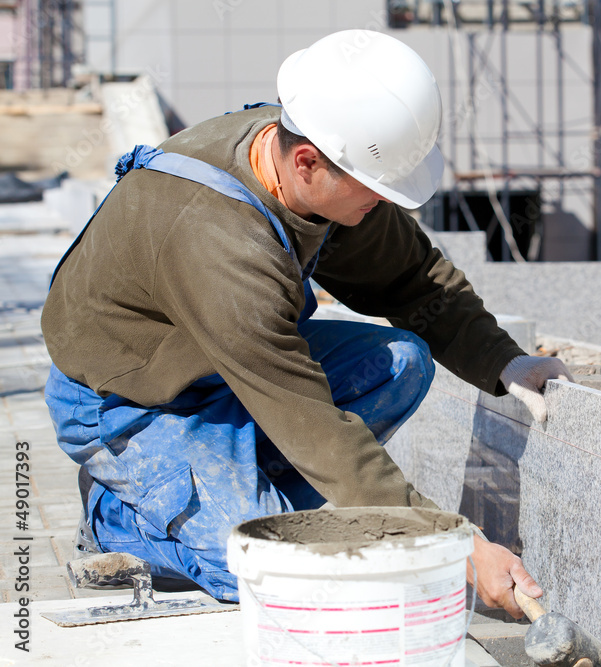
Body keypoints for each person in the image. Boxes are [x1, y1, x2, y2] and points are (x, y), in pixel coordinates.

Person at [40, 30, 572, 617]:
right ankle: (119, 515)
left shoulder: (320, 154)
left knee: (400, 363)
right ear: (306, 163)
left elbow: (412, 278)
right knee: (270, 569)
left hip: (225, 364)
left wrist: (503, 362)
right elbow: (308, 419)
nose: (382, 205)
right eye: (375, 192)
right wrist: (450, 542)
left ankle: (227, 489)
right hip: (129, 398)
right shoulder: (219, 242)